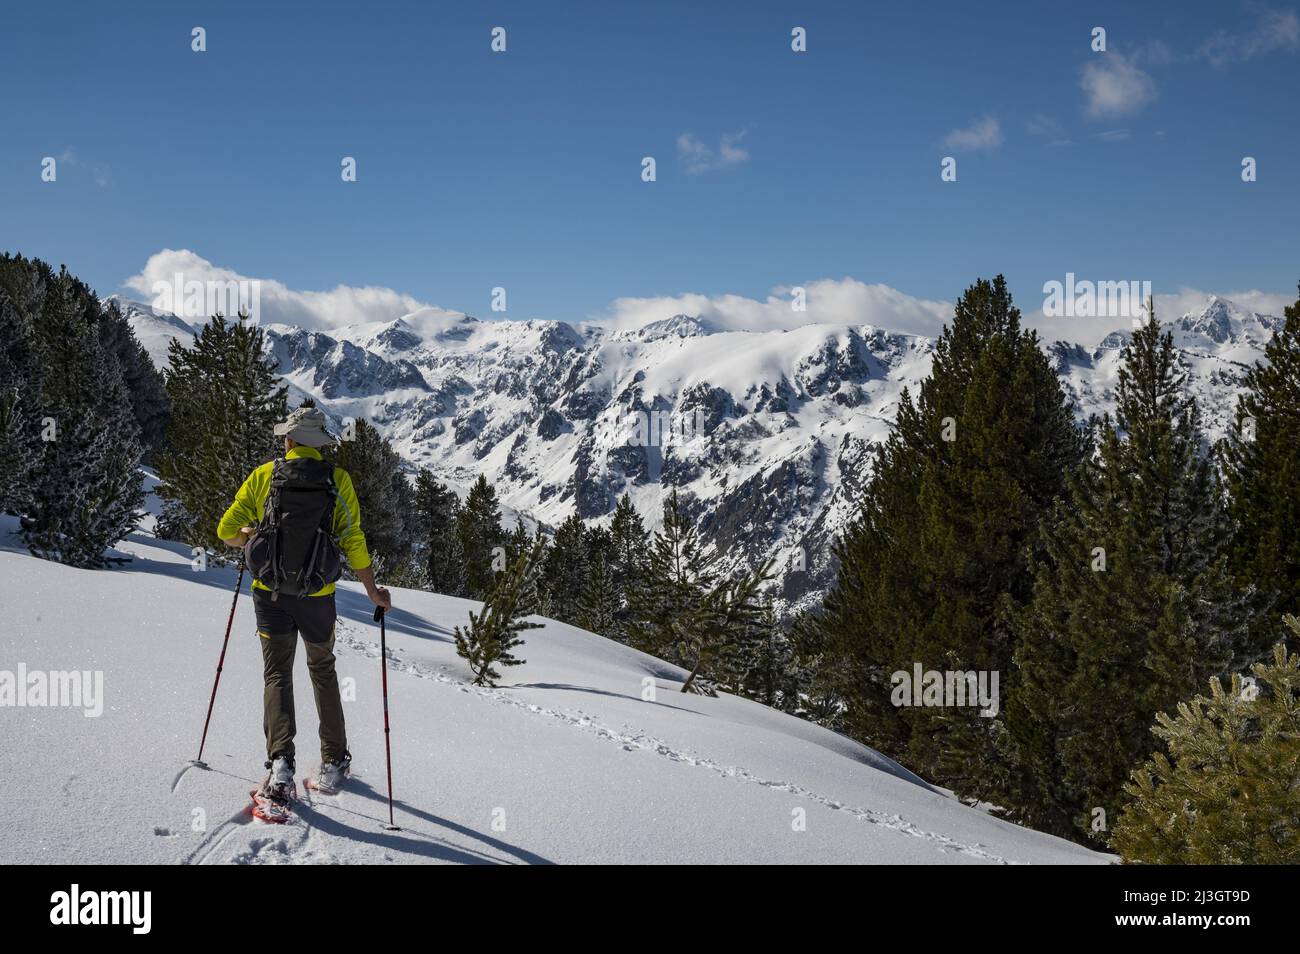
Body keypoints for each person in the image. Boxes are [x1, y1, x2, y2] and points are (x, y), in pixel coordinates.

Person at [217, 404, 392, 798]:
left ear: (290, 440)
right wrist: (373, 592)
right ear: (321, 445)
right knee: (323, 670)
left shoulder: (265, 475)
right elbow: (354, 540)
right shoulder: (338, 481)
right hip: (317, 597)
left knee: (277, 674)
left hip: (270, 594)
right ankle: (334, 760)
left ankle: (281, 764)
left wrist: (249, 537)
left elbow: (225, 530)